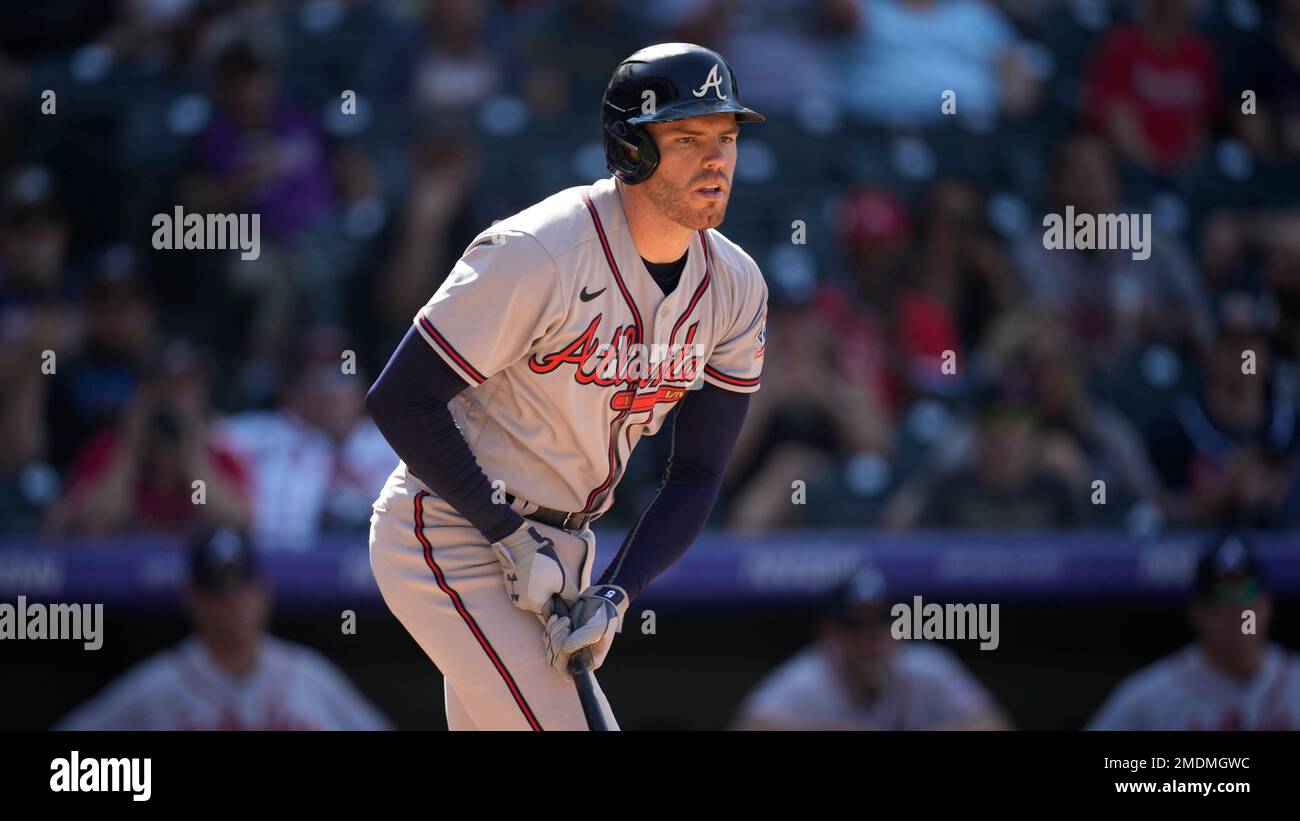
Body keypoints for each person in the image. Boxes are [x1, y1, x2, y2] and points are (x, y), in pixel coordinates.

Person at [366, 43, 769, 731]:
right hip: (454, 524)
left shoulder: (734, 285)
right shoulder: (541, 250)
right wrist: (507, 533)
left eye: (725, 137)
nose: (716, 160)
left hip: (565, 557)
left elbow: (697, 472)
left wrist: (617, 590)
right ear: (632, 151)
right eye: (687, 137)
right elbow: (399, 396)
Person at [55, 527, 390, 731]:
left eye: (241, 589)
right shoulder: (157, 687)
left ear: (263, 592)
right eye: (217, 593)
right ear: (192, 599)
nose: (232, 604)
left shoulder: (310, 676)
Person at [734, 566, 1010, 731]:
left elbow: (994, 725)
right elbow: (748, 726)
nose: (871, 638)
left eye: (882, 622)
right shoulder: (811, 677)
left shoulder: (927, 668)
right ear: (828, 634)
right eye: (855, 625)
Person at [1087, 532, 1300, 730]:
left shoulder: (1294, 681)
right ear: (1196, 611)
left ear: (1268, 604)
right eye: (1221, 596)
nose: (1237, 609)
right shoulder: (1149, 699)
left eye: (1248, 593)